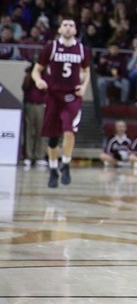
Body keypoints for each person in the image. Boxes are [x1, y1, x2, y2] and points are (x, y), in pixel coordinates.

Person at [33, 18, 91, 188]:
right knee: (53, 138)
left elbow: (87, 71)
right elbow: (37, 70)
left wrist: (84, 86)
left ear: (75, 30)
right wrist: (38, 80)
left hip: (72, 96)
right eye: (65, 25)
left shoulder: (82, 49)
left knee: (69, 131)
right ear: (59, 29)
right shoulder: (51, 47)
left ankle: (65, 164)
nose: (68, 28)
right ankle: (52, 169)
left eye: (71, 25)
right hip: (53, 95)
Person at [21, 63, 46, 168]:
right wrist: (30, 77)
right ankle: (28, 155)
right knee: (28, 130)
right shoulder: (28, 75)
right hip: (30, 104)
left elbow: (47, 90)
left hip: (41, 105)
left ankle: (39, 156)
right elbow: (24, 87)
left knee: (41, 131)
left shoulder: (46, 76)